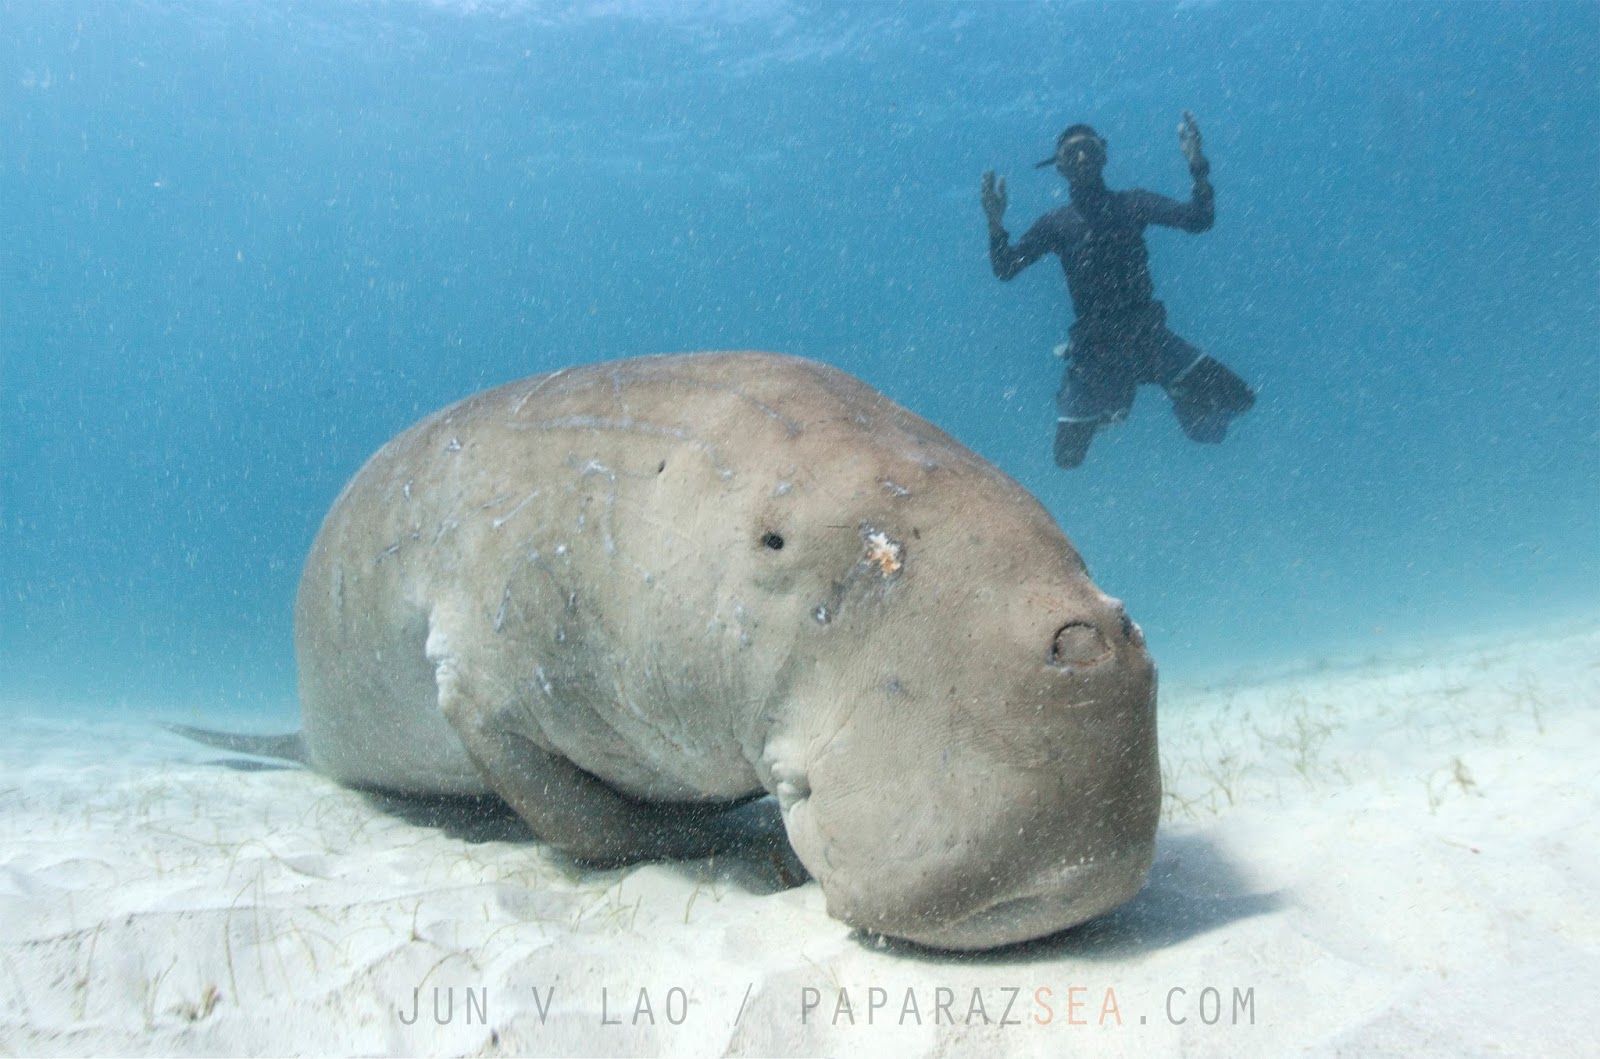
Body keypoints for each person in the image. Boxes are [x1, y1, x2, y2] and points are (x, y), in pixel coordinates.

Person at [982, 113, 1256, 468]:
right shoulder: (1056, 224)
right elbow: (1006, 269)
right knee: (1067, 458)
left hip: (1150, 339)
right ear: (1060, 169)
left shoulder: (1133, 204)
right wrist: (994, 224)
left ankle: (1171, 397)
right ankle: (1112, 405)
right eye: (1070, 154)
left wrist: (1197, 165)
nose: (1081, 158)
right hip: (1096, 352)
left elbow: (1199, 220)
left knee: (1242, 399)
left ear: (1103, 156)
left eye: (1088, 150)